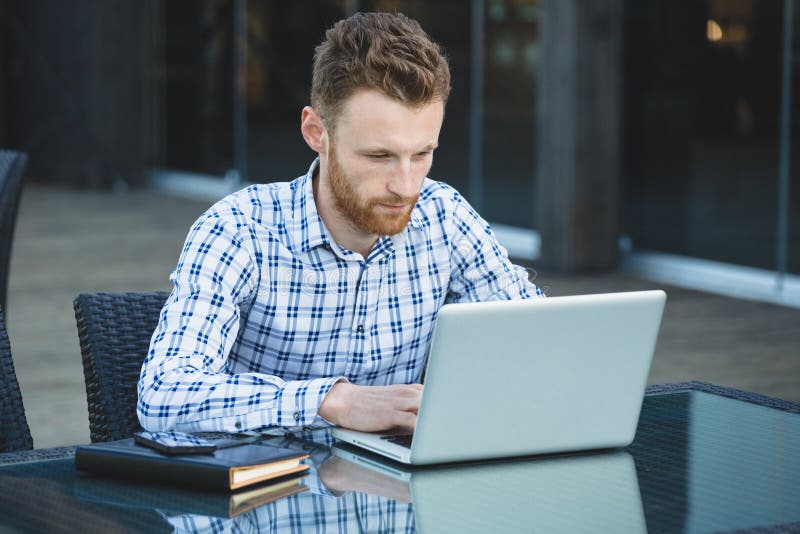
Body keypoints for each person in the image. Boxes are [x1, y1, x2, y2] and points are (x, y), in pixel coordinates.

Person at [137, 11, 544, 436]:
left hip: (404, 495)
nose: (406, 186)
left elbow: (539, 341)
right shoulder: (238, 230)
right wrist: (334, 402)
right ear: (316, 131)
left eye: (422, 154)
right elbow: (165, 396)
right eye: (378, 156)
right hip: (268, 494)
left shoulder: (444, 217)